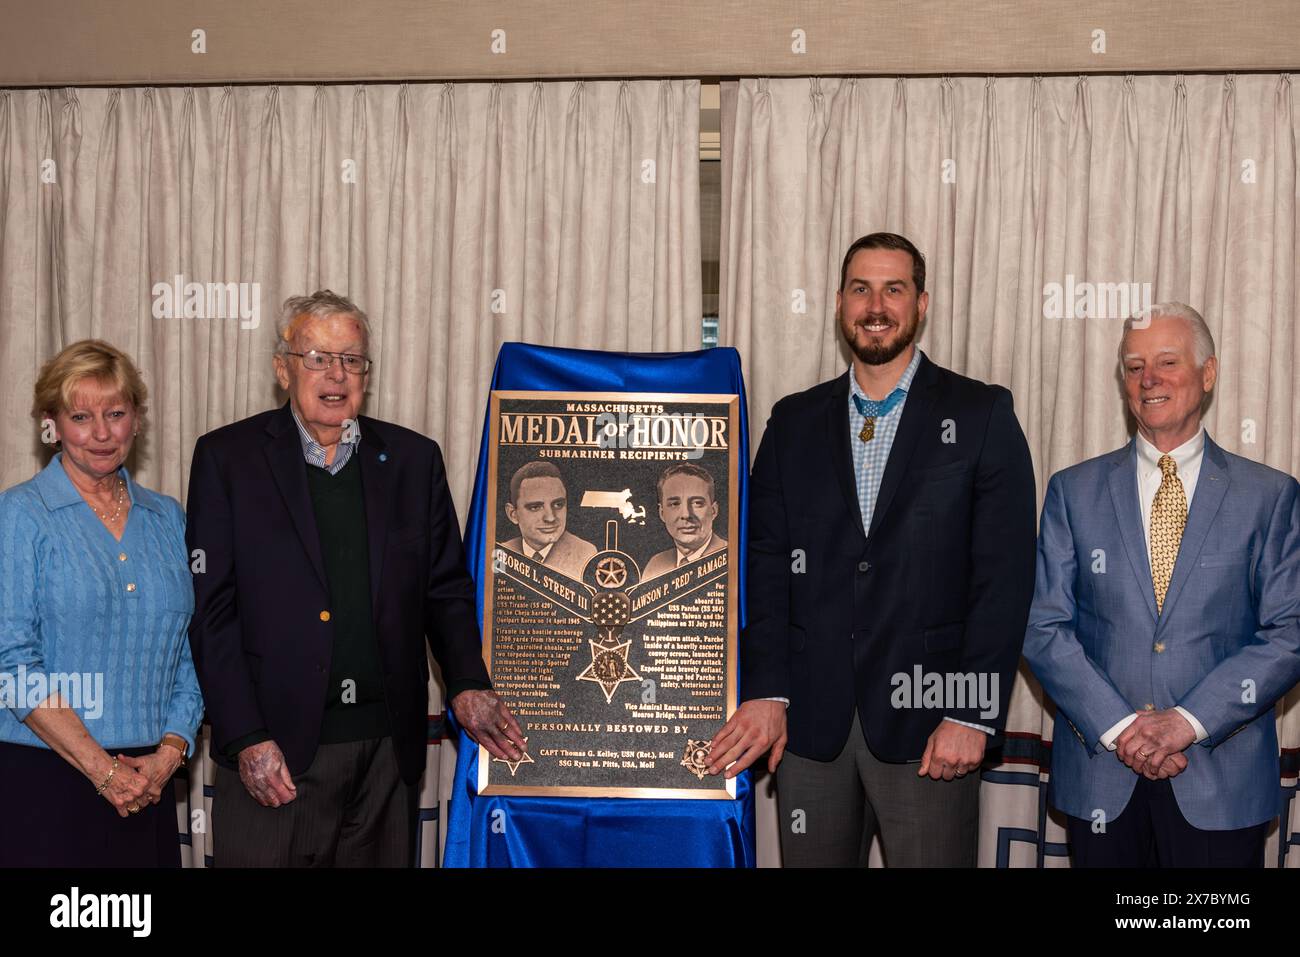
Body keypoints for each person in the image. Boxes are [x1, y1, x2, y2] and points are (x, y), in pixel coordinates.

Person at [709, 232, 1037, 867]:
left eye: (894, 289)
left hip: (932, 723)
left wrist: (971, 710)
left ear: (922, 304)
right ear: (839, 303)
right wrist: (769, 691)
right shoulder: (792, 421)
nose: (876, 305)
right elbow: (764, 567)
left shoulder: (981, 413)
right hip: (808, 728)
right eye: (861, 289)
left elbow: (1005, 578)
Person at [187, 290, 524, 867]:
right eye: (317, 357)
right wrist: (243, 736)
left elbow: (444, 590)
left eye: (352, 360)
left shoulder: (414, 461)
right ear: (282, 368)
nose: (336, 374)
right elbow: (211, 612)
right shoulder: (228, 458)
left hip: (386, 756)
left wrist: (467, 681)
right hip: (275, 753)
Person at [1021, 303, 1300, 867]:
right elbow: (1042, 625)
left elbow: (1289, 631)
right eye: (1133, 366)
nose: (1149, 379)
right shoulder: (1073, 492)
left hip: (1220, 784)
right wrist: (1125, 729)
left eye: (1167, 361)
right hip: (1103, 781)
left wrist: (1185, 723)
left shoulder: (1268, 497)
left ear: (1208, 374)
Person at [0, 339, 202, 867]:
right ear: (52, 423)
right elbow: (12, 663)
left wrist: (170, 752)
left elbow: (189, 651)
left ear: (137, 418)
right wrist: (103, 771)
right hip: (47, 778)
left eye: (116, 413)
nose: (102, 433)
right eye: (81, 416)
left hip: (150, 785)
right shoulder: (21, 513)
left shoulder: (168, 517)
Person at [500, 461, 597, 580]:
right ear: (513, 514)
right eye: (535, 507)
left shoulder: (585, 555)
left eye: (558, 504)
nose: (550, 518)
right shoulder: (502, 552)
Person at [641, 462, 727, 580]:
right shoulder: (655, 566)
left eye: (697, 503)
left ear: (714, 511)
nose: (686, 514)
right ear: (662, 513)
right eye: (675, 504)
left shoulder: (732, 558)